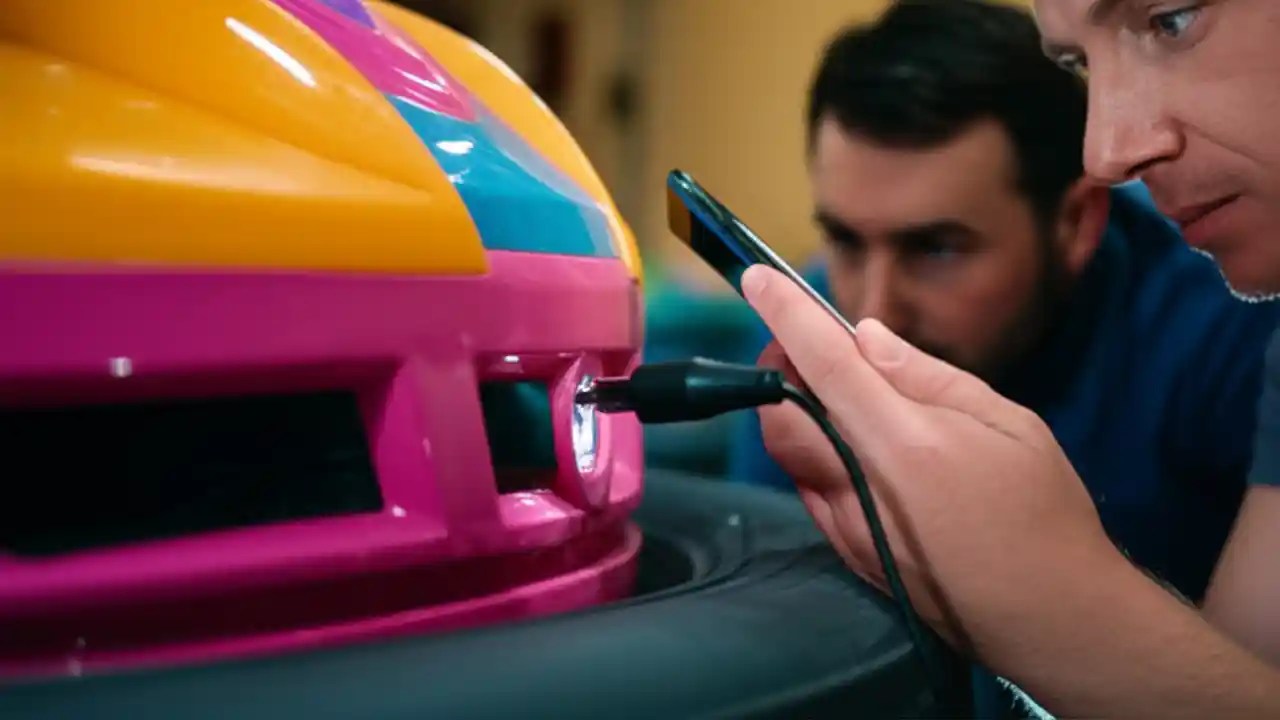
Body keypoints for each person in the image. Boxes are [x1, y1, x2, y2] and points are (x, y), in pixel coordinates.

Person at [741, 0, 1280, 715]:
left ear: (1076, 221)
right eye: (842, 242)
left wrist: (1049, 597)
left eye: (936, 248)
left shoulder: (1226, 325)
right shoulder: (800, 347)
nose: (873, 312)